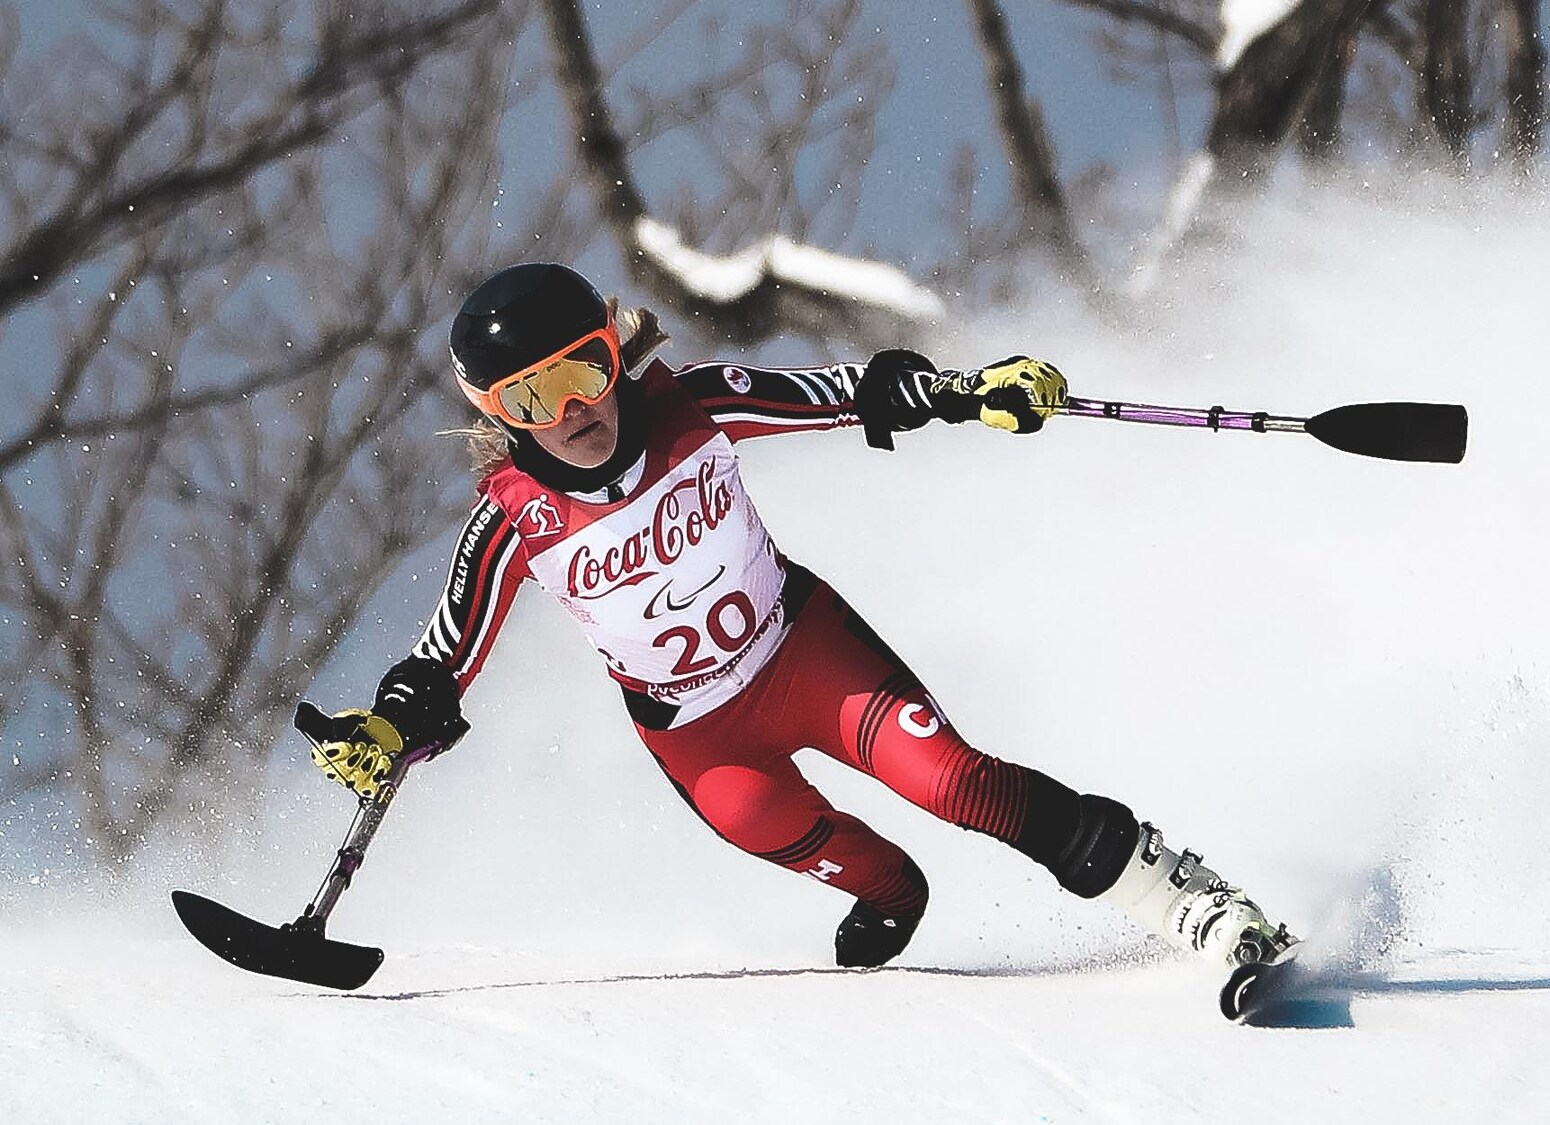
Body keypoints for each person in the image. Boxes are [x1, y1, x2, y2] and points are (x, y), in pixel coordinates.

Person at [300, 262, 1295, 971]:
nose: (572, 408)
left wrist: (962, 392)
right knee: (782, 830)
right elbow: (444, 657)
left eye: (586, 369)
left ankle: (1193, 902)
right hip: (700, 738)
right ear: (497, 411)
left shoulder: (690, 407)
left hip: (803, 655)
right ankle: (893, 893)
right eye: (535, 395)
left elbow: (841, 394)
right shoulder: (510, 520)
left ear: (614, 351)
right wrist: (390, 728)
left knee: (952, 782)